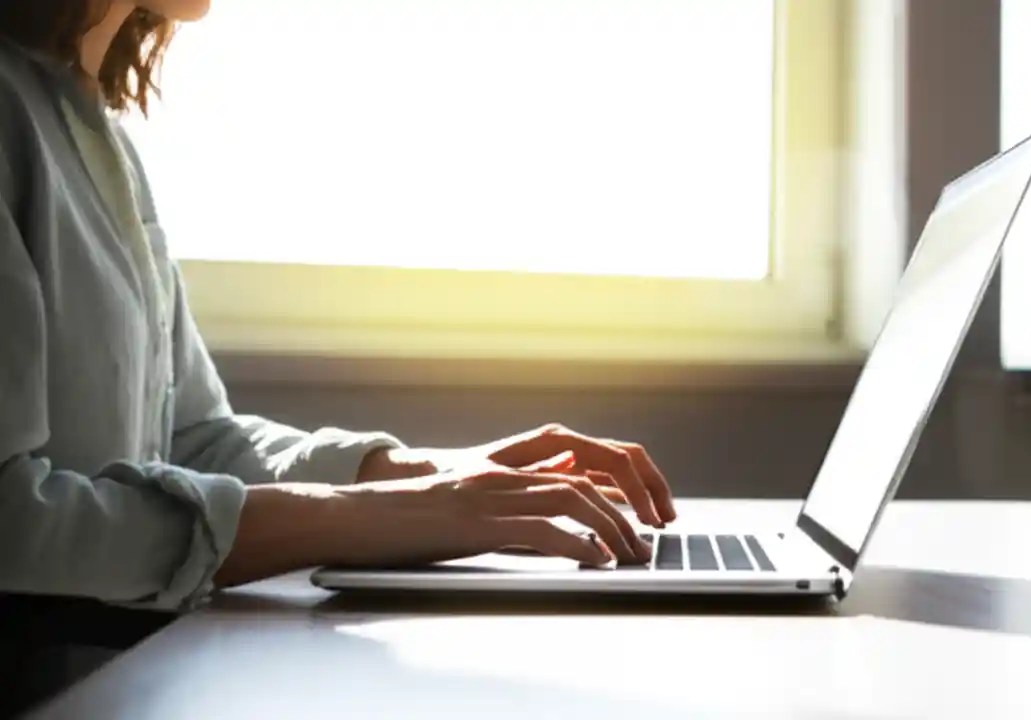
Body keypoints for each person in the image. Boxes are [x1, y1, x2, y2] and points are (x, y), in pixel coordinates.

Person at [0, 0, 676, 616]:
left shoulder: (94, 128)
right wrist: (389, 516)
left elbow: (191, 441)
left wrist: (433, 478)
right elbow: (13, 523)